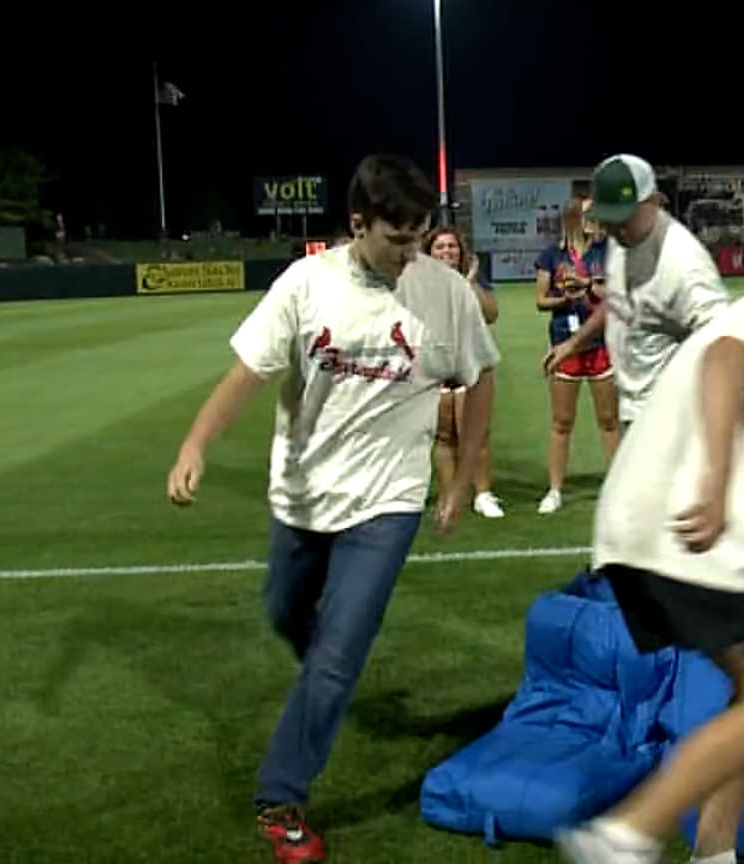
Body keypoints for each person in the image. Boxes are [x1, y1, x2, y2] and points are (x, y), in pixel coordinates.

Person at [164, 154, 501, 864]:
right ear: (357, 225)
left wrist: (463, 477)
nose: (409, 253)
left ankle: (281, 796)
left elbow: (481, 375)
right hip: (302, 496)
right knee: (287, 615)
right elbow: (246, 374)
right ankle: (324, 677)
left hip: (387, 502)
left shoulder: (445, 293)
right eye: (395, 238)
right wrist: (196, 443)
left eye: (419, 237)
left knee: (338, 654)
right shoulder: (305, 284)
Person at [555, 242, 744, 864]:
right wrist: (715, 486)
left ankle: (714, 853)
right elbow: (723, 362)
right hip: (679, 531)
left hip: (653, 532)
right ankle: (624, 836)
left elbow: (729, 390)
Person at [546, 153, 744, 587]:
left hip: (672, 417)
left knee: (650, 525)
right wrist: (574, 342)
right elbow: (617, 302)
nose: (613, 229)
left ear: (657, 202)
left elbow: (730, 347)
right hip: (638, 408)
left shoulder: (684, 267)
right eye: (607, 219)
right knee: (659, 529)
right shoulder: (623, 240)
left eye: (623, 218)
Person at [534, 198, 622, 515]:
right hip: (563, 342)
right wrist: (564, 298)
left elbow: (615, 295)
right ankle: (555, 490)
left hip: (601, 343)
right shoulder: (552, 255)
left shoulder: (609, 251)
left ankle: (618, 488)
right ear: (572, 217)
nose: (593, 220)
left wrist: (587, 286)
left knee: (609, 420)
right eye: (587, 215)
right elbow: (541, 301)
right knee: (561, 422)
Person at [424, 225, 506, 518]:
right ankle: (448, 493)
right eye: (439, 247)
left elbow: (491, 313)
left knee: (476, 432)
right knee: (444, 435)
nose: (447, 251)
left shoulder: (473, 280)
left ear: (461, 251)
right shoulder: (420, 282)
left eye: (452, 246)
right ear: (429, 252)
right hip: (436, 367)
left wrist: (469, 282)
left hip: (469, 365)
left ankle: (483, 493)